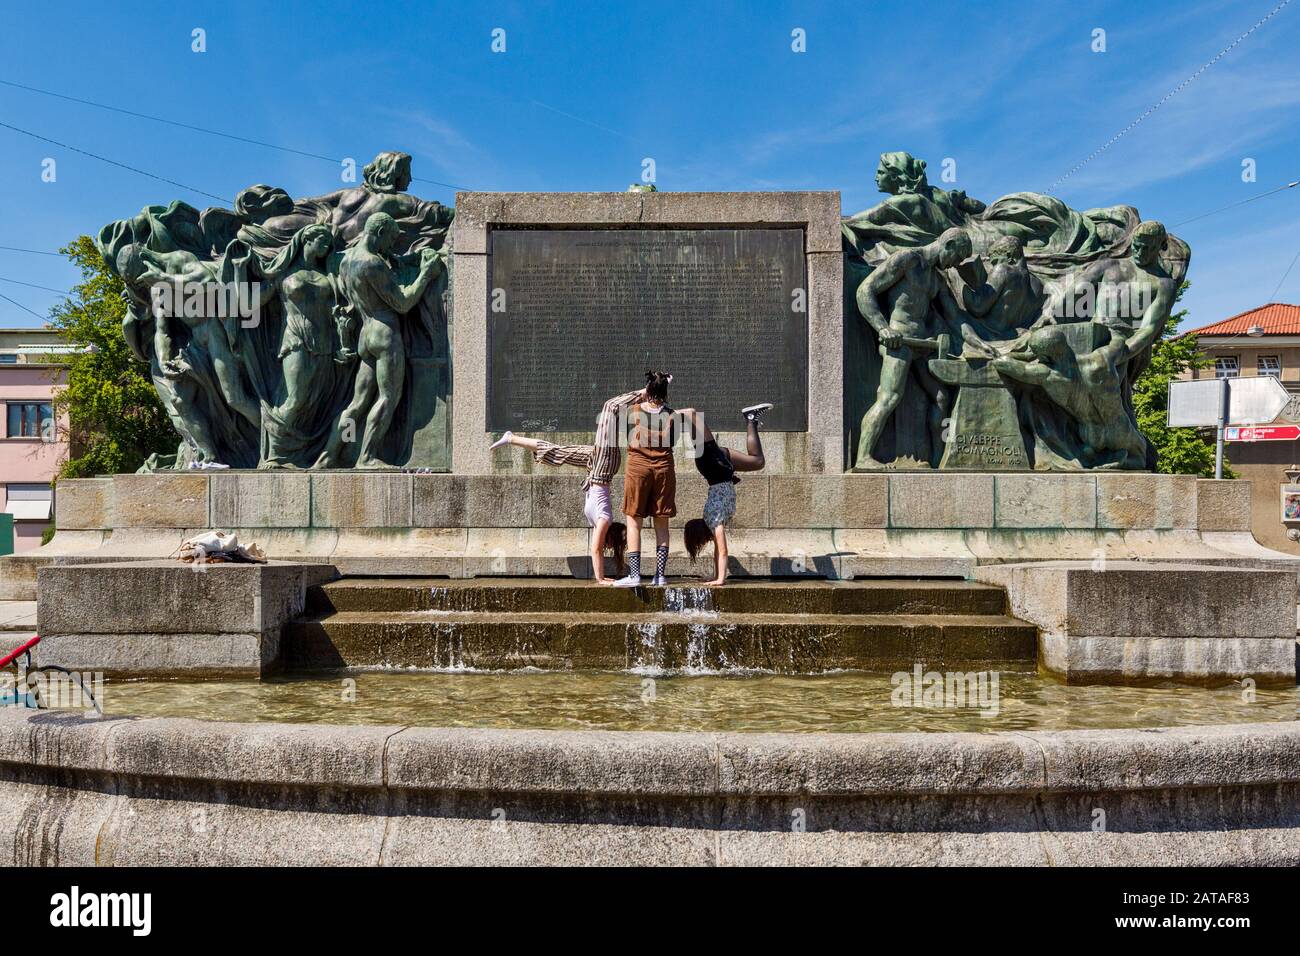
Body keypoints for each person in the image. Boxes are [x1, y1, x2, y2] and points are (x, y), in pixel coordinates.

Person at [489, 387, 643, 583]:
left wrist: (600, 578)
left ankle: (511, 438)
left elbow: (595, 549)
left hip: (599, 468)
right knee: (610, 407)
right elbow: (596, 549)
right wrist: (601, 577)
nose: (608, 545)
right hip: (602, 467)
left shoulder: (601, 520)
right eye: (611, 544)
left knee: (557, 452)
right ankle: (647, 391)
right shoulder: (603, 519)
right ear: (610, 537)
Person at [681, 403, 772, 586]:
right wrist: (716, 576)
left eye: (702, 541)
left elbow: (723, 551)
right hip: (717, 467)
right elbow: (718, 550)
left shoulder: (714, 520)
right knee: (757, 462)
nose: (707, 541)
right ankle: (751, 420)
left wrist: (720, 580)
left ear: (702, 534)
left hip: (715, 466)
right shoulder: (712, 520)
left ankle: (670, 414)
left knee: (693, 417)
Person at [613, 371, 677, 588]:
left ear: (647, 389)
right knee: (661, 522)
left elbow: (627, 435)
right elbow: (672, 442)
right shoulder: (672, 415)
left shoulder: (633, 412)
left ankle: (634, 575)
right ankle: (660, 575)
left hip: (638, 467)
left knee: (634, 521)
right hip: (664, 468)